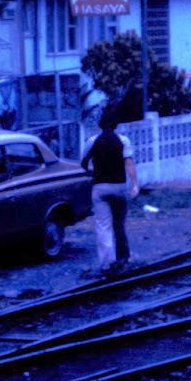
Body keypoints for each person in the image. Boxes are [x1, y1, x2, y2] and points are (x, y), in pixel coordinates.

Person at [81, 106, 140, 275]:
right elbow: (129, 163)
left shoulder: (92, 141)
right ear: (116, 125)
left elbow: (83, 163)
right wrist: (135, 184)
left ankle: (108, 263)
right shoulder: (123, 141)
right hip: (120, 187)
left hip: (100, 188)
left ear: (100, 125)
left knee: (103, 226)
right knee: (119, 225)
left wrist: (92, 172)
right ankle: (123, 258)